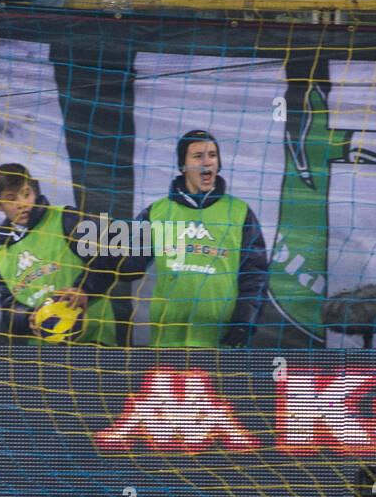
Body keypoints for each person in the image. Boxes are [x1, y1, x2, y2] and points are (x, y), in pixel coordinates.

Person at [114, 130, 269, 348]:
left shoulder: (240, 212)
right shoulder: (158, 212)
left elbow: (255, 274)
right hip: (167, 340)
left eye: (212, 155)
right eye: (198, 156)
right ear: (183, 165)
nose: (207, 162)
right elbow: (128, 267)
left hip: (220, 342)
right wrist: (107, 247)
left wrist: (245, 322)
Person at [0, 163, 116, 345]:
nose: (22, 204)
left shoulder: (66, 218)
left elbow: (110, 256)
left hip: (93, 340)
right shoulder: (1, 250)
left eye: (26, 194)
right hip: (42, 353)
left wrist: (84, 289)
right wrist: (27, 318)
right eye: (11, 199)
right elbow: (9, 307)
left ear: (35, 191)